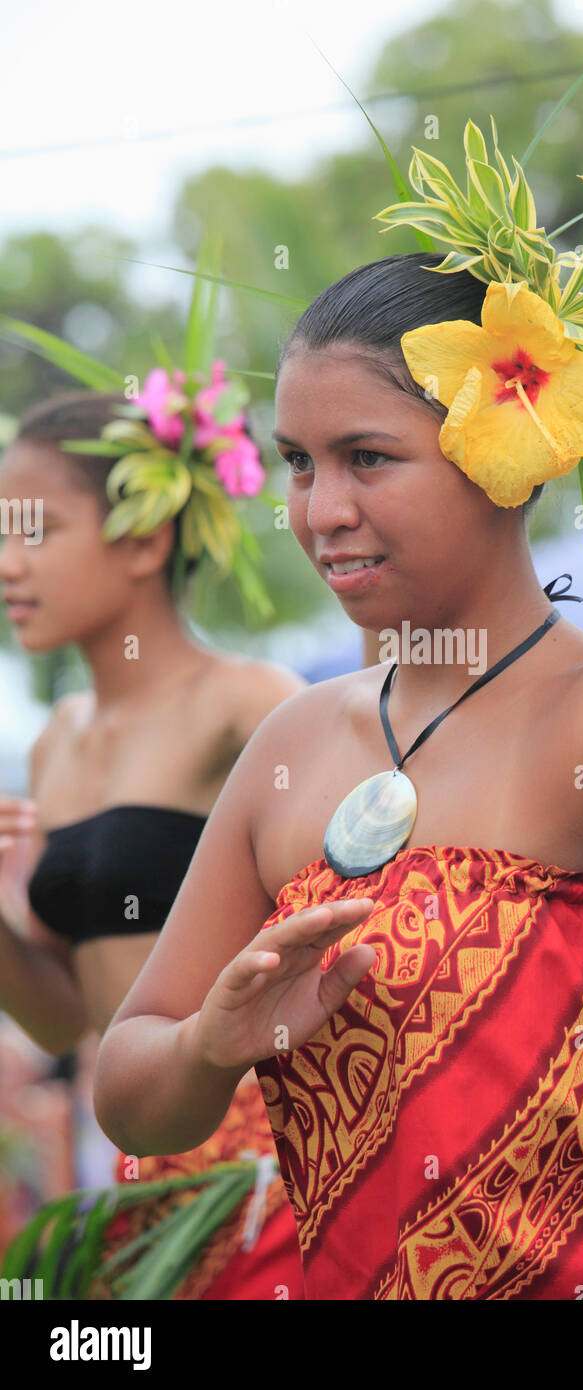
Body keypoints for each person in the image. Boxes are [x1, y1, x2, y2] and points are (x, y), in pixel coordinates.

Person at [92, 121, 583, 1300]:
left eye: (367, 457)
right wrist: (209, 1046)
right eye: (297, 462)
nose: (319, 509)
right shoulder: (295, 747)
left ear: (503, 447)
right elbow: (126, 1076)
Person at [0, 384, 307, 1298]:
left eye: (36, 531)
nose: (8, 565)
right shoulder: (57, 738)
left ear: (144, 539)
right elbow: (63, 1017)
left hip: (264, 1156)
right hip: (125, 1158)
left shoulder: (248, 704)